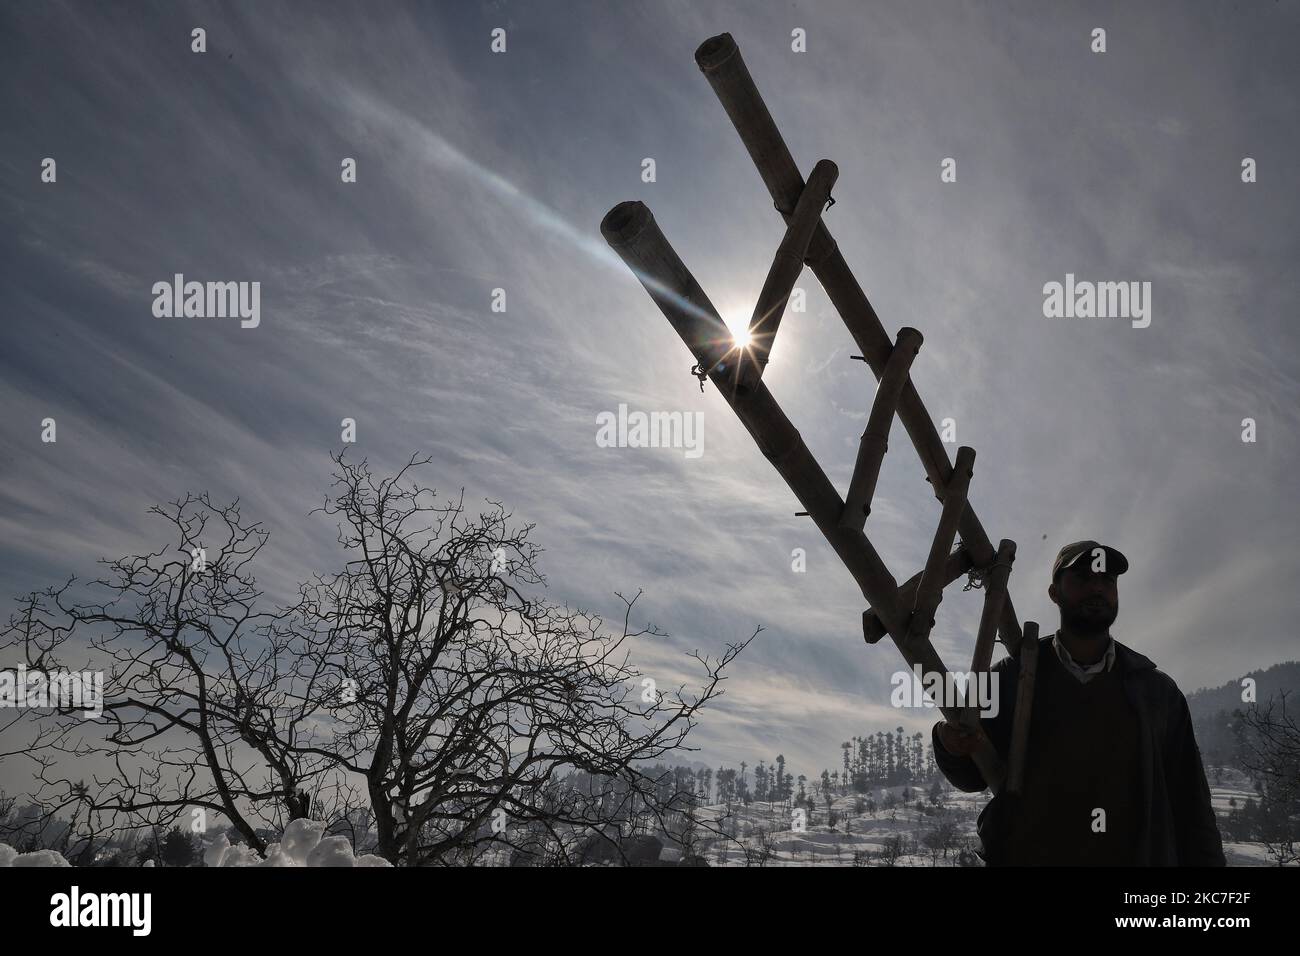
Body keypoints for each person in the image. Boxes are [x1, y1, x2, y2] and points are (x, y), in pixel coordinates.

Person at [932, 540, 1225, 866]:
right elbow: (972, 775)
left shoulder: (1157, 692)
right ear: (1054, 593)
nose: (1097, 588)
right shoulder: (1010, 678)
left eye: (1107, 581)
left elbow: (1191, 803)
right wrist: (949, 744)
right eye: (1083, 578)